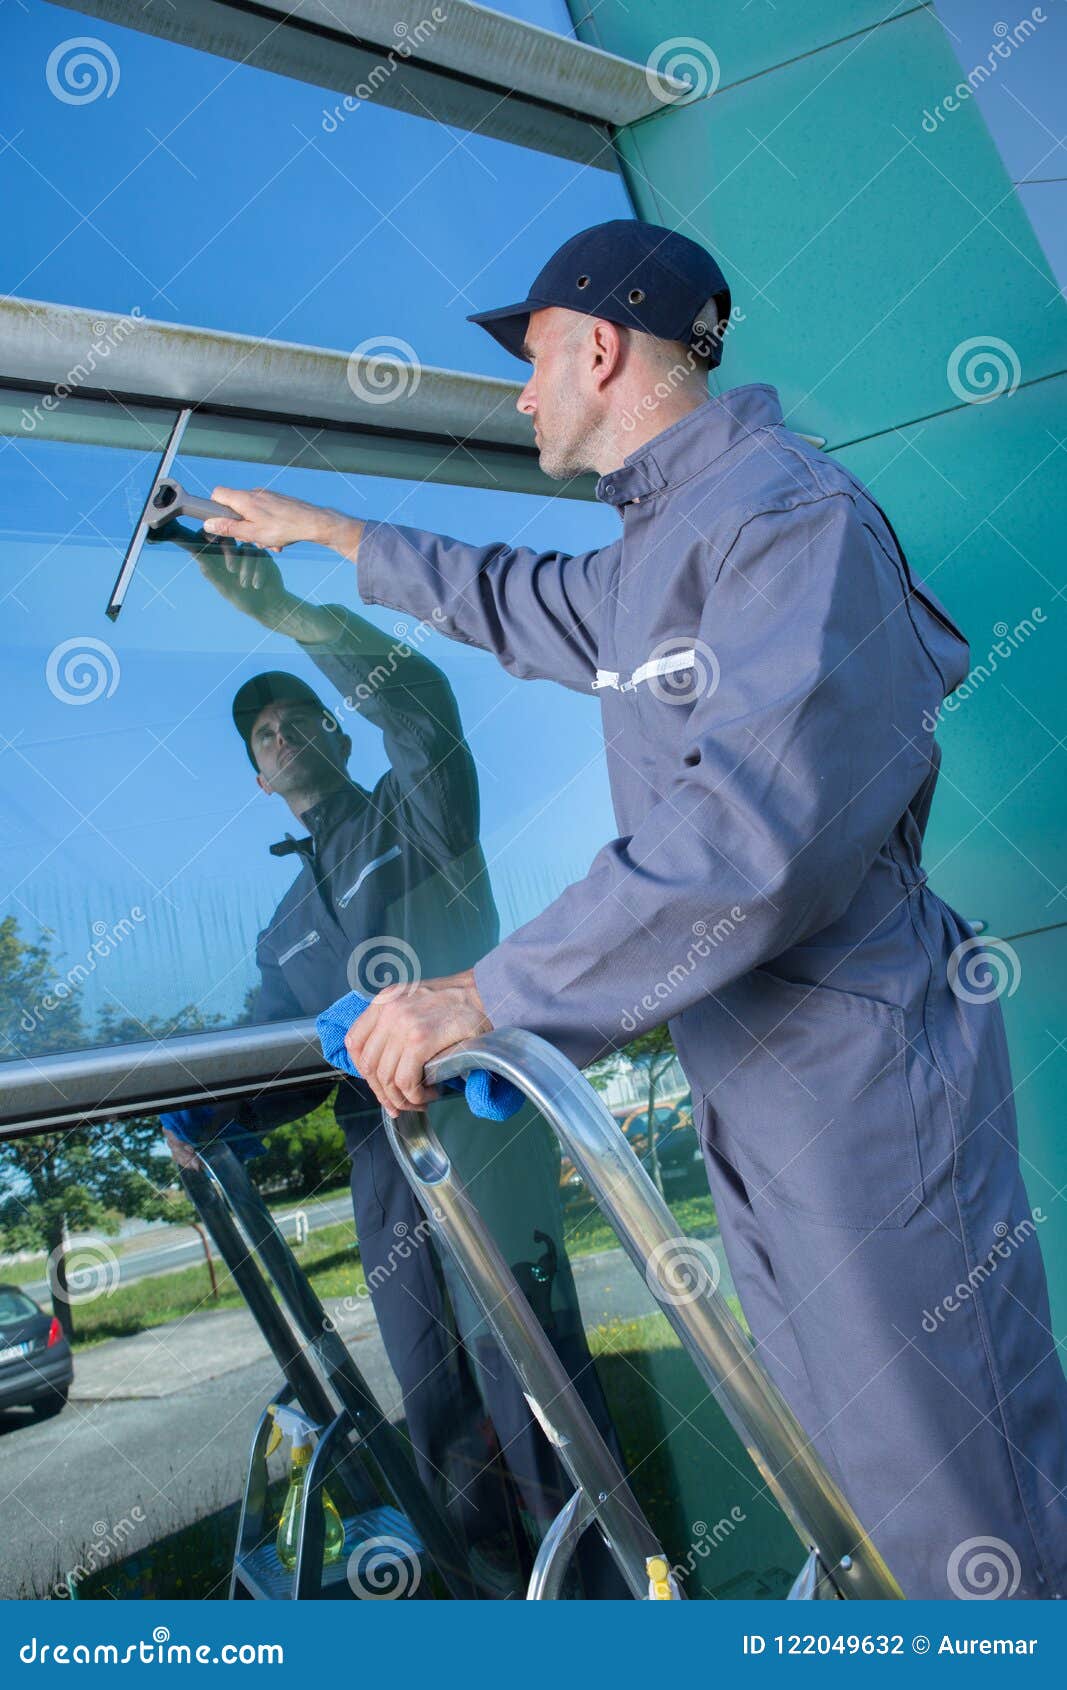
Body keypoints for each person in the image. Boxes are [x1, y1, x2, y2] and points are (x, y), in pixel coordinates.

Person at [201, 218, 1067, 1601]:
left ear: (599, 348)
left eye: (533, 359)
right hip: (752, 1080)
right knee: (851, 1498)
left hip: (858, 1075)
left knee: (957, 1503)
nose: (522, 395)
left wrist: (489, 993)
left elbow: (753, 838)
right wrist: (332, 537)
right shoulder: (655, 547)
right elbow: (507, 597)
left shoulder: (783, 517)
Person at [160, 524, 626, 1595]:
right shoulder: (282, 929)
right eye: (263, 733)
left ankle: (600, 1604)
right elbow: (275, 1070)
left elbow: (420, 704)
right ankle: (487, 1605)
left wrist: (289, 614)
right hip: (381, 1167)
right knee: (435, 1399)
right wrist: (205, 1110)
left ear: (336, 726)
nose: (283, 734)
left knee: (531, 1380)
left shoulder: (416, 817)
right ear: (258, 776)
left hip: (478, 1135)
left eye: (297, 716)